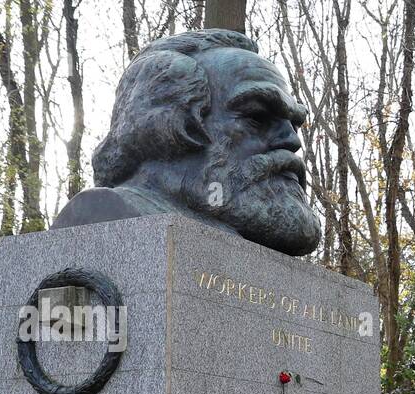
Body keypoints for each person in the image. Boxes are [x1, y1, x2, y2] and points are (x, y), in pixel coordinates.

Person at [52, 30, 322, 257]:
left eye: (294, 123)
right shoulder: (106, 215)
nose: (292, 140)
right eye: (258, 116)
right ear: (170, 128)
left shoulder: (239, 237)